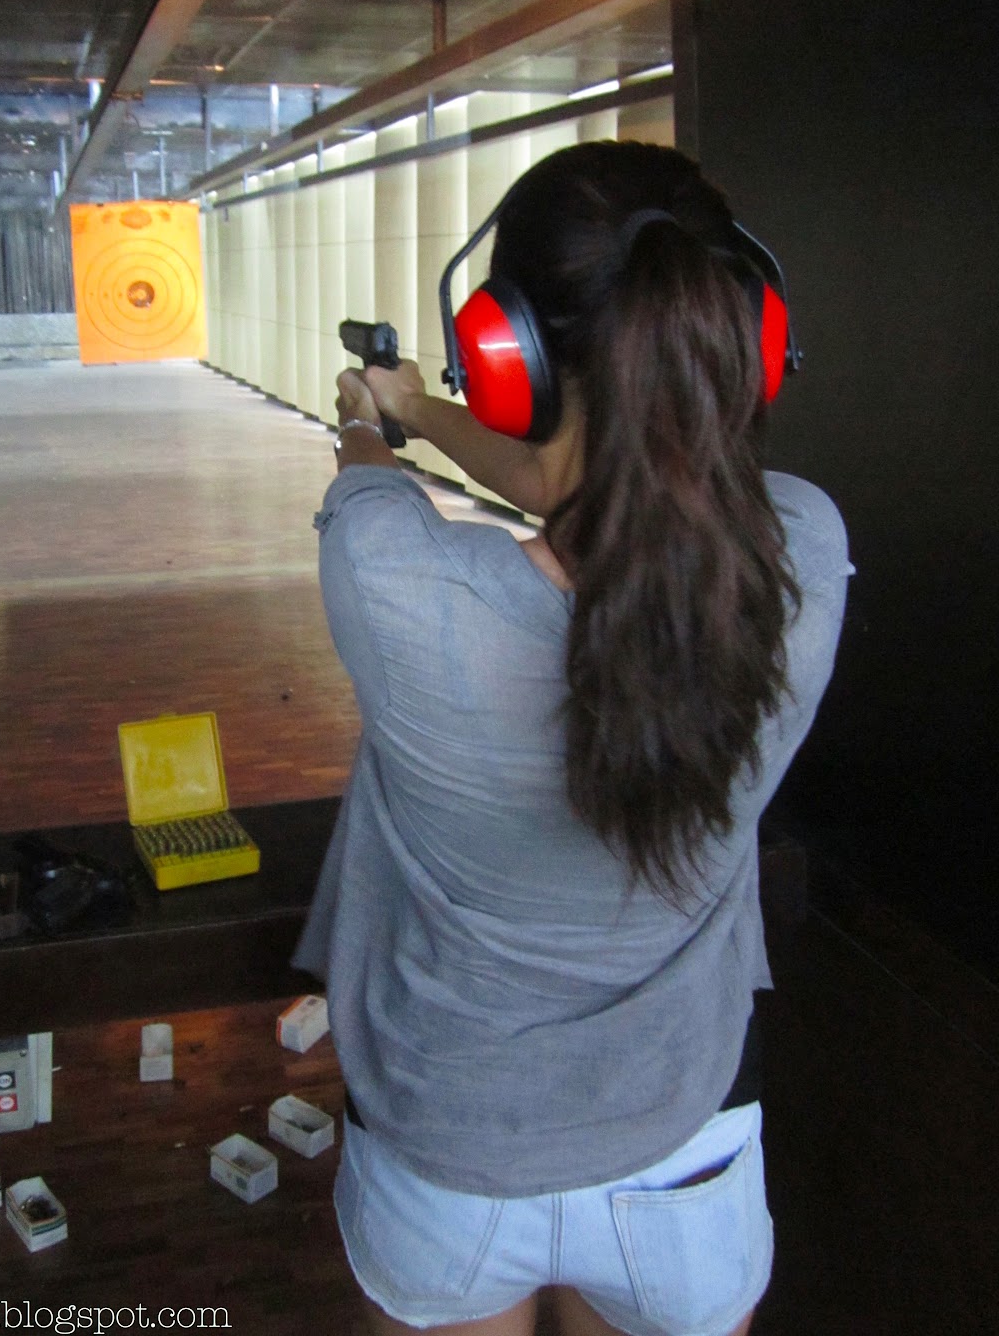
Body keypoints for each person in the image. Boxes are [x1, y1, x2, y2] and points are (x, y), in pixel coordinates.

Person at [293, 141, 852, 1336]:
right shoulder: (803, 556)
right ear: (747, 338)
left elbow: (389, 489)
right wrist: (427, 411)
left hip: (451, 1154)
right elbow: (613, 485)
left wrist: (376, 423)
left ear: (510, 360)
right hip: (686, 1156)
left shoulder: (388, 577)